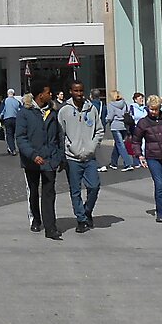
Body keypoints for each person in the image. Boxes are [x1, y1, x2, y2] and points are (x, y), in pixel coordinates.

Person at [15, 83, 64, 240]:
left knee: (49, 193)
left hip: (49, 159)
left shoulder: (53, 112)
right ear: (40, 95)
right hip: (32, 161)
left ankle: (51, 228)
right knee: (34, 191)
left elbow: (59, 136)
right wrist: (32, 155)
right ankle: (36, 218)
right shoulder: (25, 113)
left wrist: (59, 156)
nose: (51, 95)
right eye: (48, 92)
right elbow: (20, 138)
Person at [59, 80, 101, 233]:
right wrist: (67, 148)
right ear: (71, 91)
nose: (79, 93)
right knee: (75, 191)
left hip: (89, 157)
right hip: (72, 157)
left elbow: (99, 130)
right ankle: (81, 219)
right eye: (76, 91)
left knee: (94, 186)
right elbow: (60, 134)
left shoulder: (91, 109)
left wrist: (92, 146)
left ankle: (87, 211)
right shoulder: (65, 110)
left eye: (81, 90)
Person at [133, 95, 162, 222]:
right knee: (159, 185)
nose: (153, 112)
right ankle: (160, 213)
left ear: (160, 108)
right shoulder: (143, 123)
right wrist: (139, 155)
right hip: (152, 157)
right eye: (151, 109)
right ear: (147, 108)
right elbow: (136, 141)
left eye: (156, 109)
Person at [101, 90, 137, 172]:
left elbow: (110, 116)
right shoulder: (125, 103)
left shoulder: (111, 105)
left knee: (120, 145)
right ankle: (113, 163)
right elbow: (129, 113)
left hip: (115, 126)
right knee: (118, 144)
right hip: (124, 125)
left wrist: (105, 120)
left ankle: (128, 163)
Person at [1, 89, 21, 156]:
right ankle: (15, 147)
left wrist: (0, 117)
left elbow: (2, 110)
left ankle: (12, 149)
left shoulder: (5, 101)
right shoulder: (17, 102)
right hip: (15, 119)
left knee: (9, 134)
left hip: (7, 119)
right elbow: (20, 109)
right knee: (15, 134)